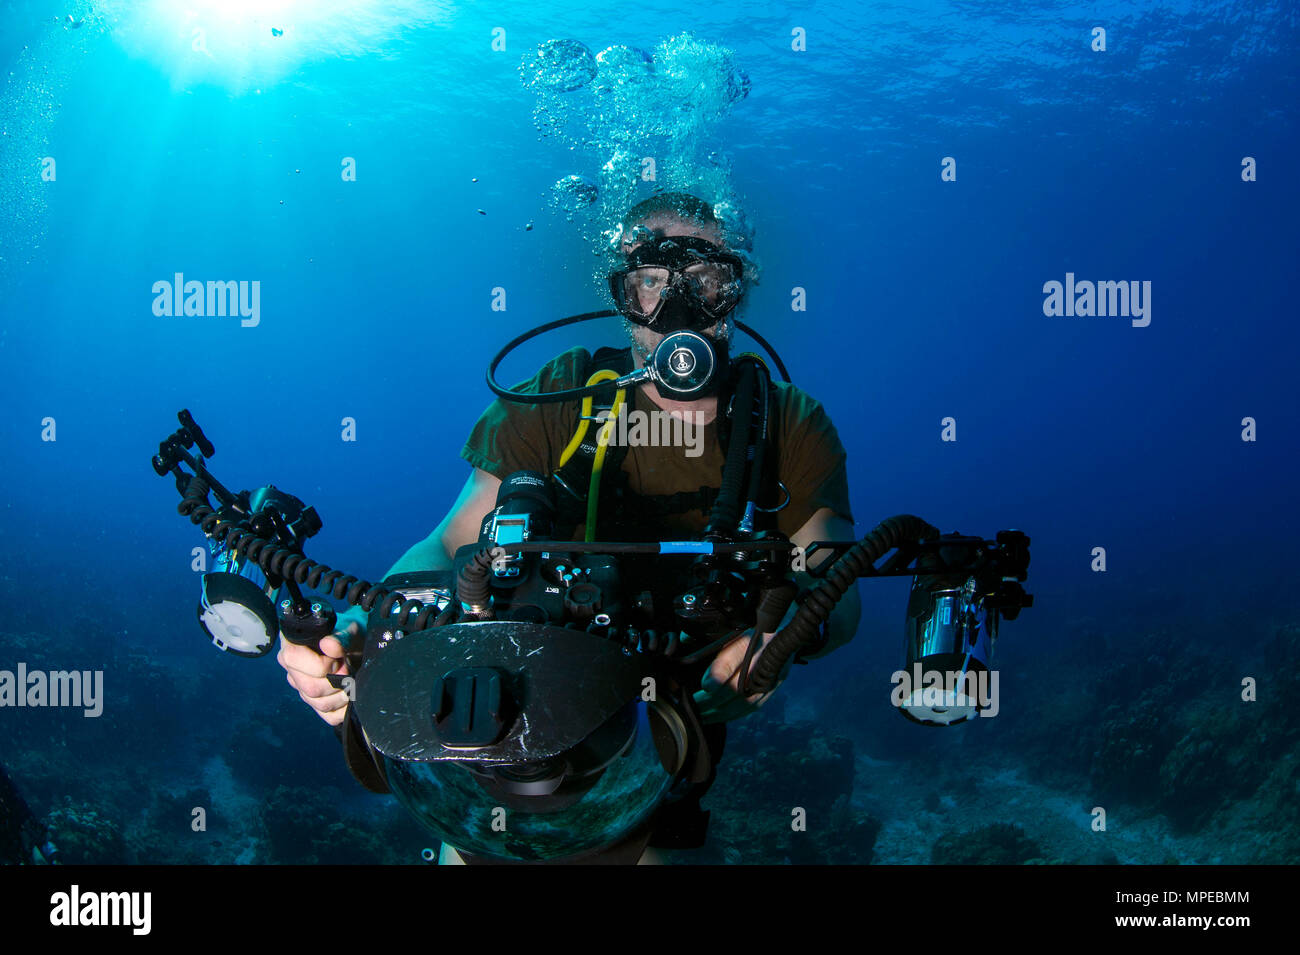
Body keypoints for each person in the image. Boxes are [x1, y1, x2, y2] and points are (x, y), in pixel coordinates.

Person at [278, 191, 861, 861]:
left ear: (740, 288)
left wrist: (782, 640)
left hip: (667, 727)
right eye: (652, 281)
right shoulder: (560, 395)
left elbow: (839, 582)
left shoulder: (789, 423)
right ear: (622, 295)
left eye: (706, 281)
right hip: (514, 712)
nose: (678, 310)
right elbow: (448, 542)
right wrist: (368, 628)